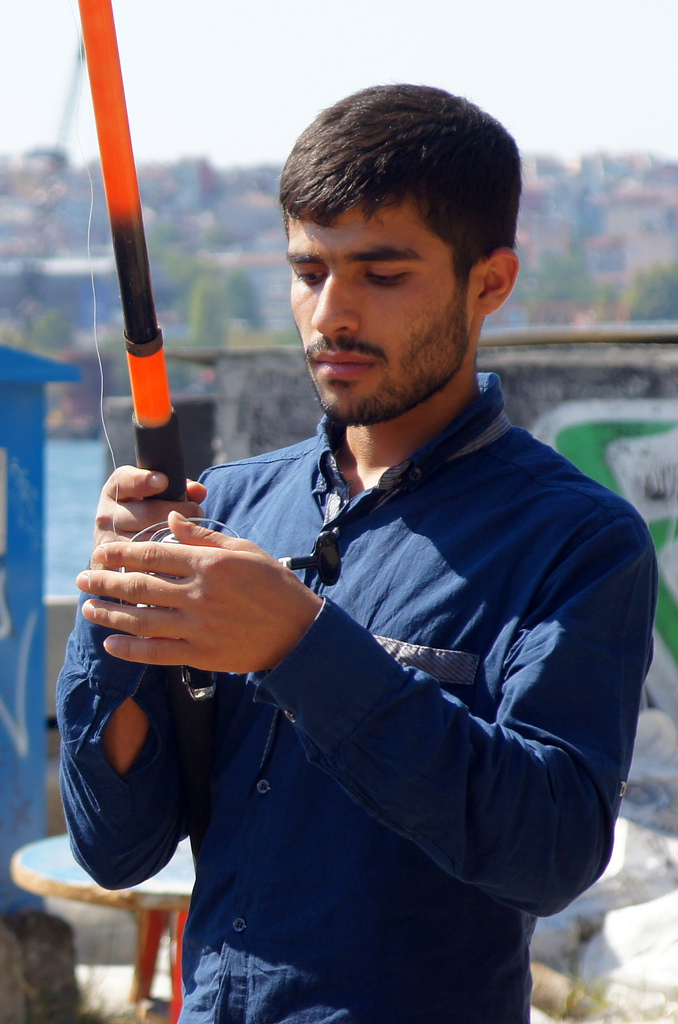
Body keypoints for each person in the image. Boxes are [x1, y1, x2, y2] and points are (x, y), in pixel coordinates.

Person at [58, 84, 657, 1023]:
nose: (331, 313)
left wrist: (303, 644)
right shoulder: (235, 504)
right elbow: (117, 848)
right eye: (309, 270)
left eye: (382, 275)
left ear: (489, 283)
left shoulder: (578, 540)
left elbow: (548, 852)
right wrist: (112, 609)